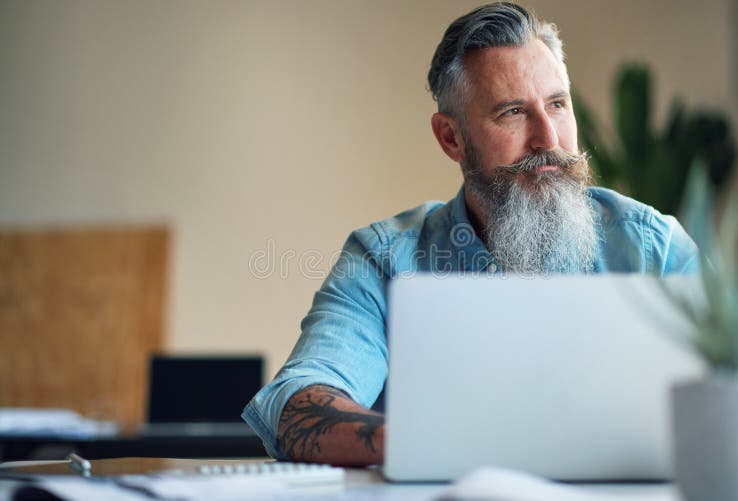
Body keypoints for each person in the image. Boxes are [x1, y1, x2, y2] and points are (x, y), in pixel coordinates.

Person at [242, 2, 698, 466]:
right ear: (451, 138)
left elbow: (735, 389)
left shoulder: (653, 249)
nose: (548, 139)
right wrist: (443, 445)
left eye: (558, 104)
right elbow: (296, 403)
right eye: (513, 112)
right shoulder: (383, 260)